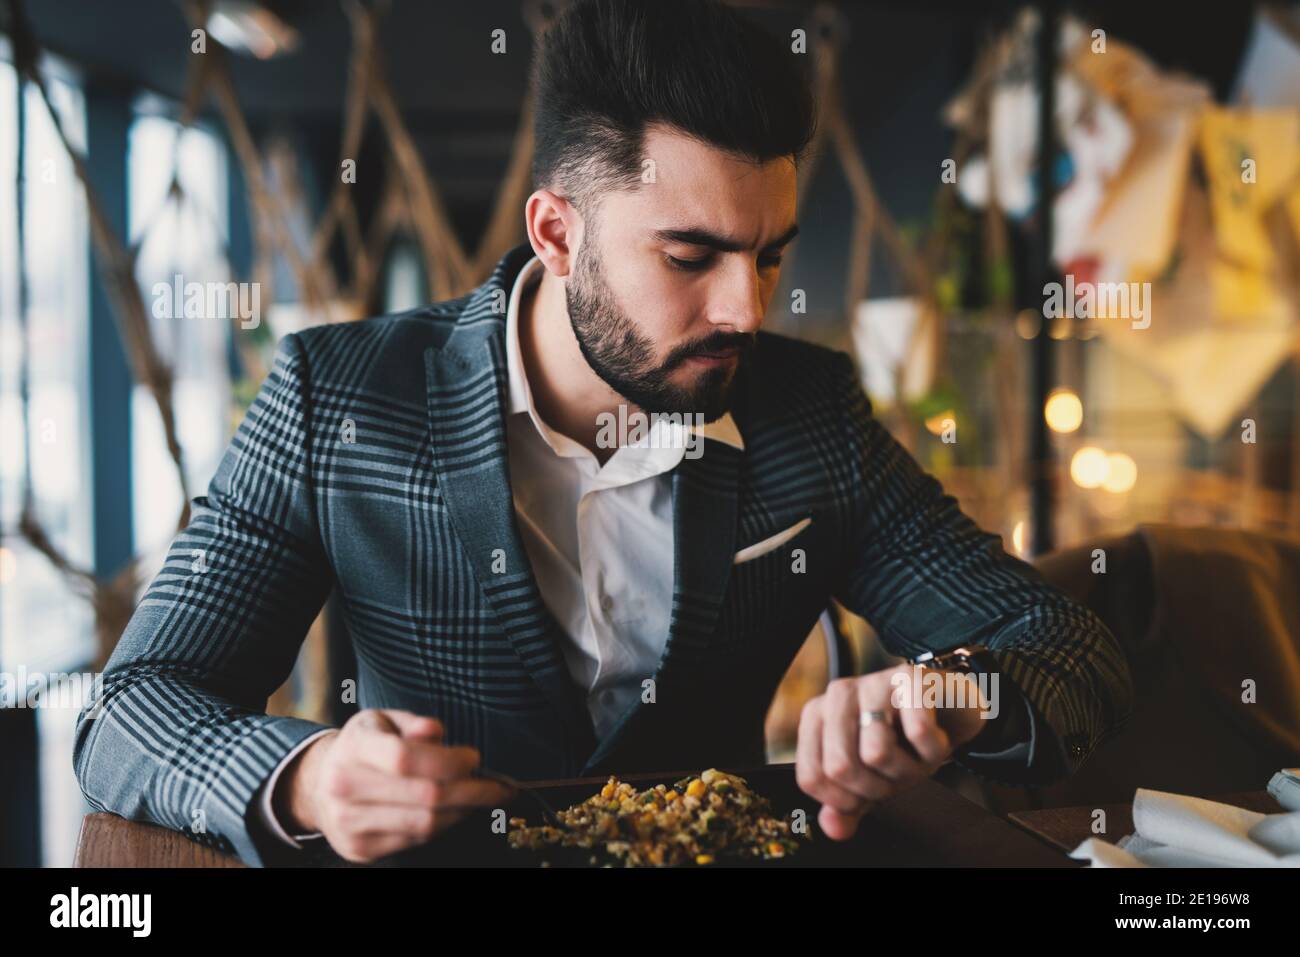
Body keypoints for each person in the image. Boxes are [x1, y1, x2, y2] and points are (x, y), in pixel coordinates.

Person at [74, 0, 1132, 866]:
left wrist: (946, 696)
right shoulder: (335, 399)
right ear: (556, 232)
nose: (746, 311)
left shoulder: (811, 413)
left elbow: (1067, 648)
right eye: (690, 257)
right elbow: (130, 710)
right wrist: (302, 778)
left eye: (768, 255)